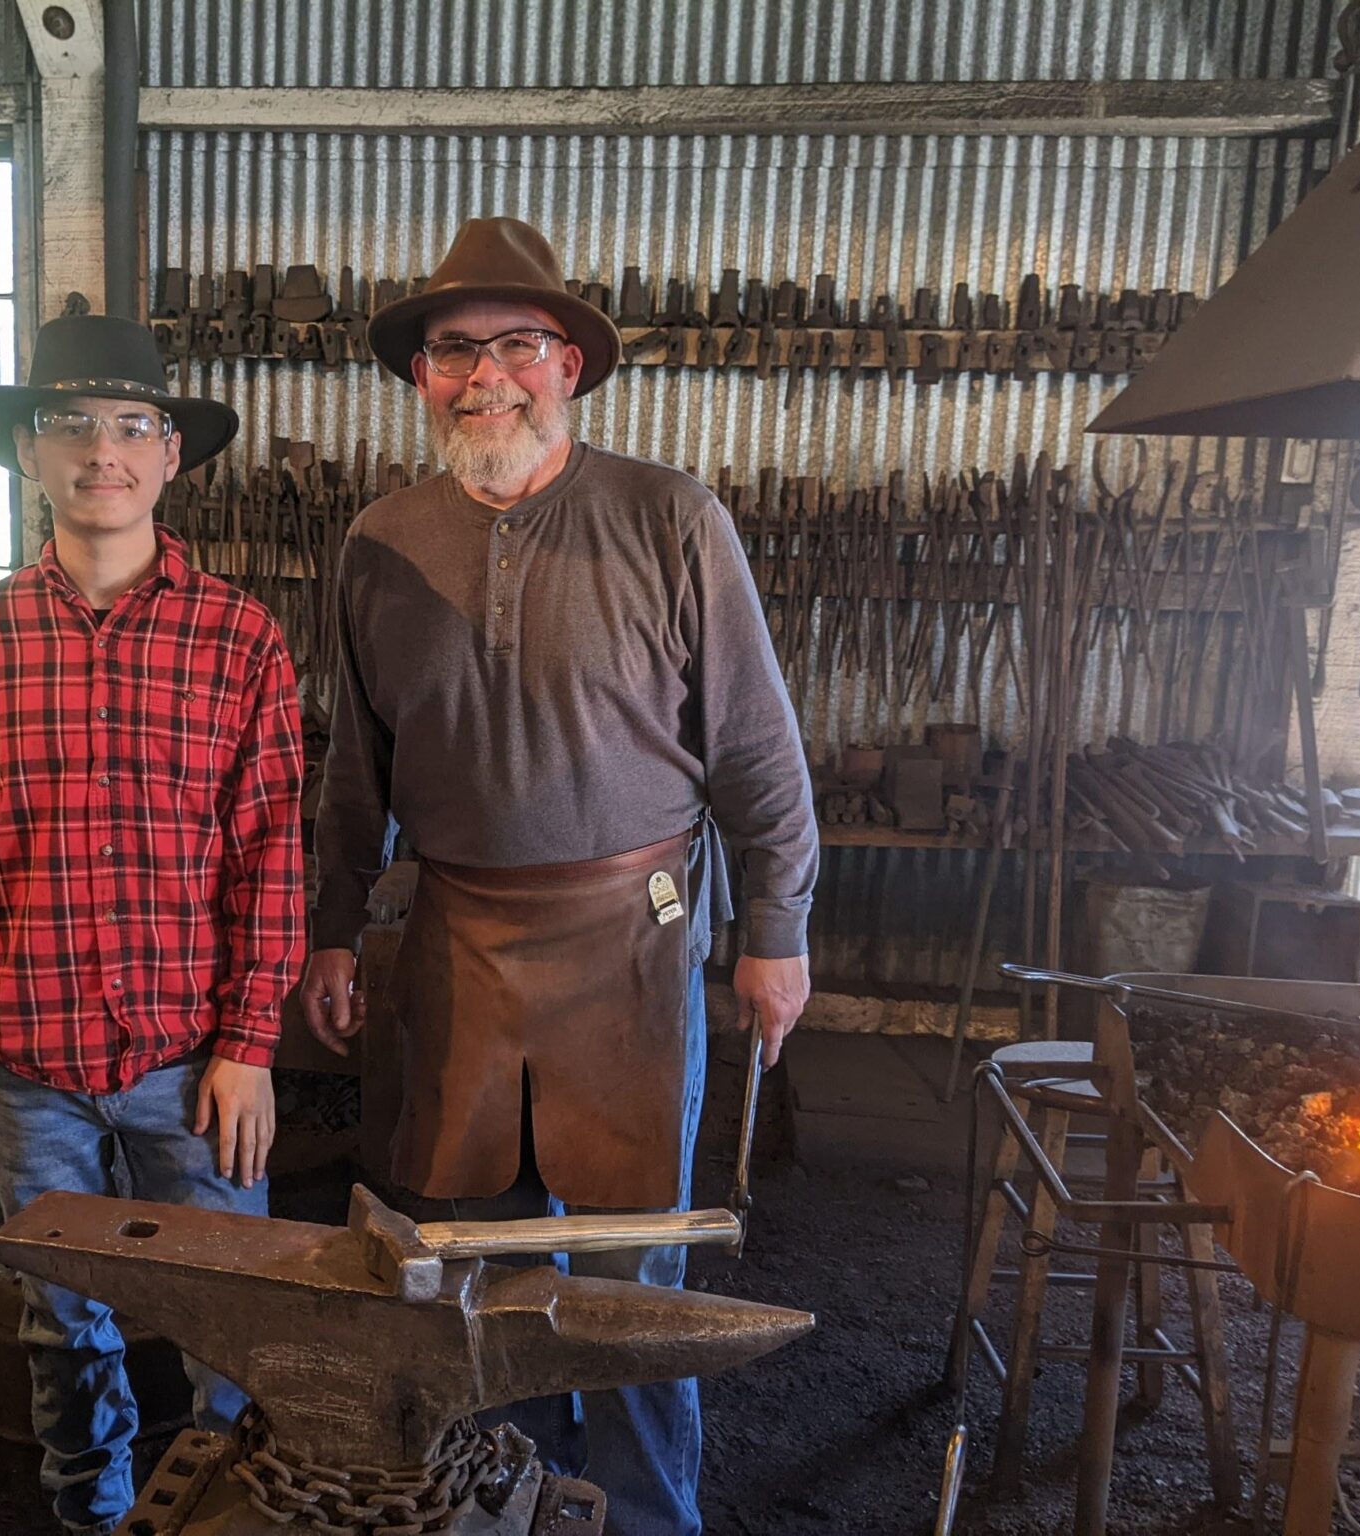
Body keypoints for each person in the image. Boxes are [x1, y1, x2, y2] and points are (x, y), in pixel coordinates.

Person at [298, 217, 819, 1534]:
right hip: (458, 939)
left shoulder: (669, 517)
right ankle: (511, 1505)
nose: (486, 377)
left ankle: (642, 1517)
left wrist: (777, 926)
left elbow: (756, 746)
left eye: (516, 346)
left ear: (568, 366)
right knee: (475, 1261)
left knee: (627, 1275)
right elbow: (354, 770)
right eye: (452, 351)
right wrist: (331, 927)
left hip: (629, 937)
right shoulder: (378, 543)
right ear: (421, 377)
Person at [0, 314, 304, 1535]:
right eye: (69, 424)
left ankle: (231, 1511)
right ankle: (93, 1512)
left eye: (131, 425)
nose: (101, 451)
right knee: (60, 1316)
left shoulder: (239, 638)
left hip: (190, 1057)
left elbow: (270, 856)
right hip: (25, 1055)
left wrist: (249, 1044)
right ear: (29, 452)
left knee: (228, 1304)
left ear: (170, 453)